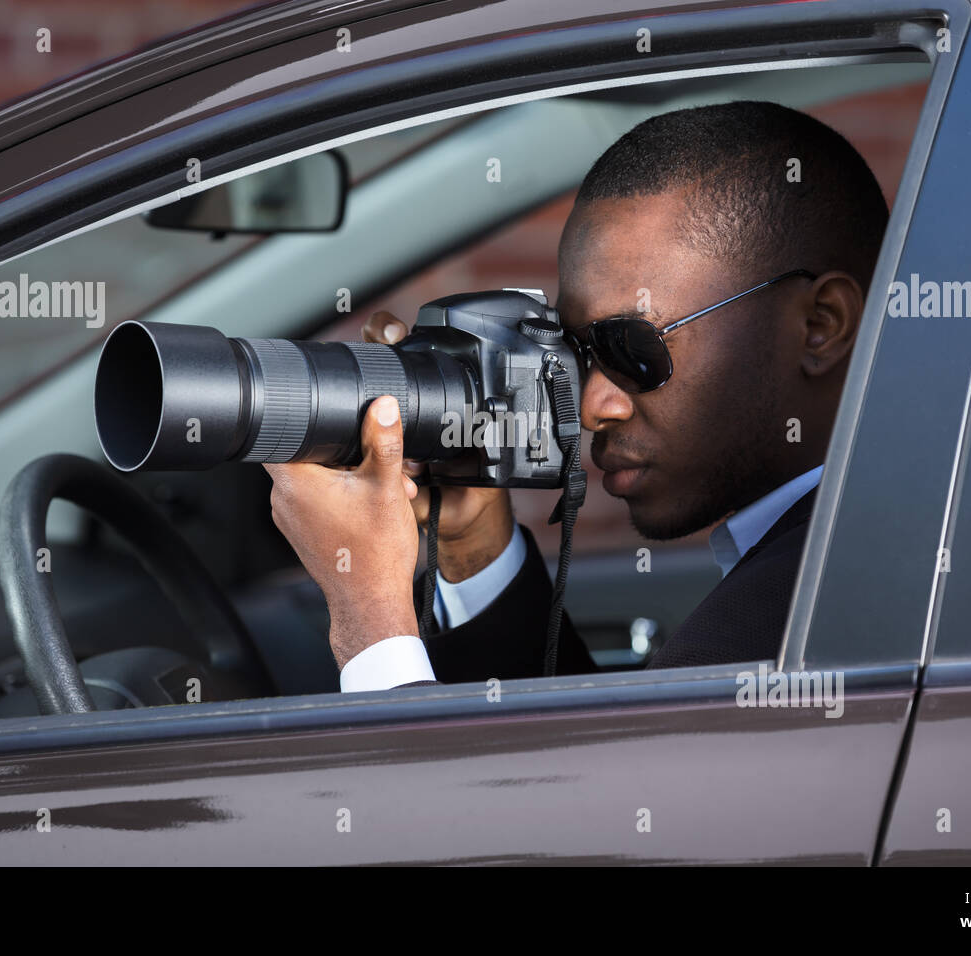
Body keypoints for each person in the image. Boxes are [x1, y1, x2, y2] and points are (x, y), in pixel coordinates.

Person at [264, 101, 888, 691]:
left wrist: (368, 613)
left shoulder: (833, 603)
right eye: (576, 351)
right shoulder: (849, 545)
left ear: (820, 324)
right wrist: (474, 543)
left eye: (633, 348)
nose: (593, 406)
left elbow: (521, 808)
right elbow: (573, 766)